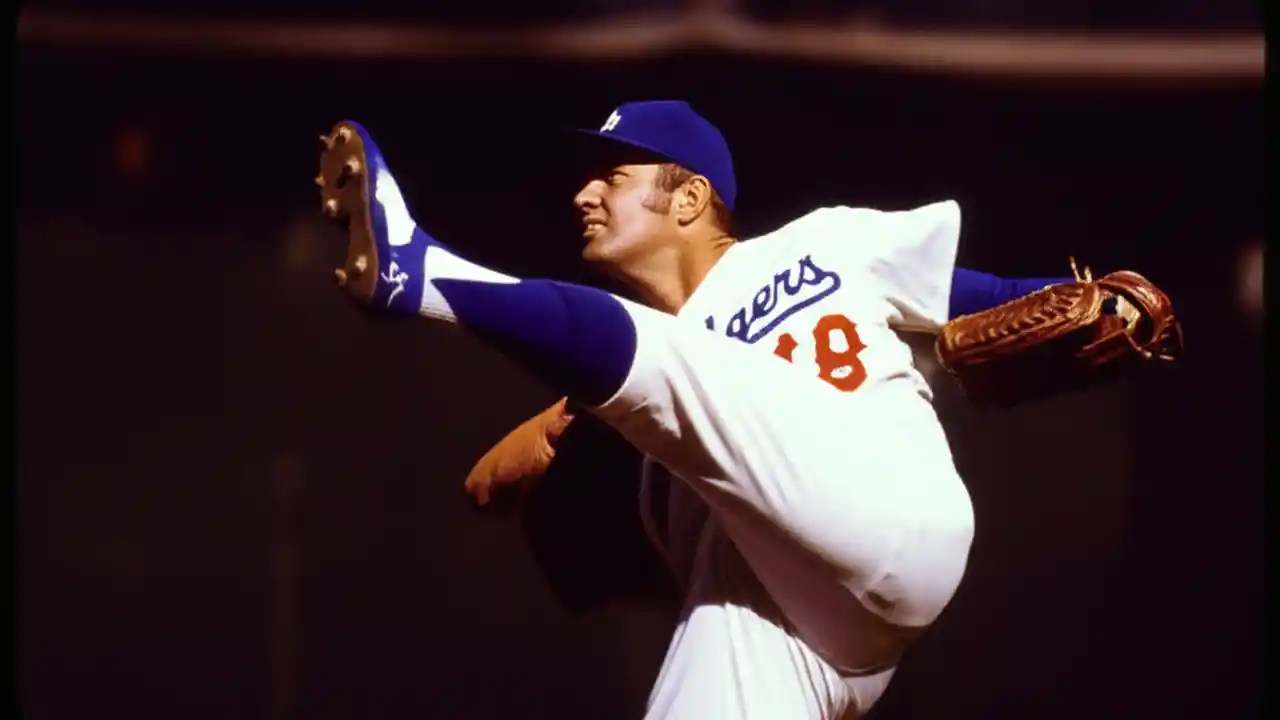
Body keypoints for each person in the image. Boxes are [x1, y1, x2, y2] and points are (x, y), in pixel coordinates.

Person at [315, 100, 1077, 719]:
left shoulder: (819, 247)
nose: (584, 194)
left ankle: (424, 275)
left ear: (689, 196)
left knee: (666, 364)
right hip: (793, 622)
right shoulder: (644, 376)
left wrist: (1113, 297)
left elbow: (1022, 302)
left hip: (892, 504)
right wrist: (565, 420)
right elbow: (486, 488)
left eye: (612, 175)